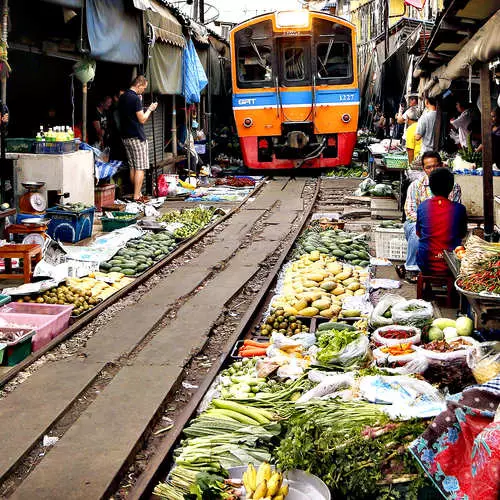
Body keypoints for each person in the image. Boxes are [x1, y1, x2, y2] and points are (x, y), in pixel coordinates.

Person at [397, 151, 462, 283]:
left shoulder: (454, 186)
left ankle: (445, 264)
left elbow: (455, 212)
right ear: (423, 169)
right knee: (417, 235)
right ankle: (411, 268)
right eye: (428, 167)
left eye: (435, 166)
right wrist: (430, 222)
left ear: (442, 165)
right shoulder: (416, 186)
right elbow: (409, 212)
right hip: (419, 223)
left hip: (442, 224)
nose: (432, 170)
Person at [416, 167, 467, 274]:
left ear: (430, 187)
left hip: (425, 263)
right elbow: (462, 234)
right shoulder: (459, 209)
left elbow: (419, 233)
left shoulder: (422, 207)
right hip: (451, 265)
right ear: (451, 187)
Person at [118, 75, 158, 201]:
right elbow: (142, 119)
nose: (144, 90)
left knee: (132, 167)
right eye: (143, 88)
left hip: (125, 136)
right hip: (137, 136)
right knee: (140, 167)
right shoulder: (135, 99)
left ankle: (137, 193)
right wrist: (150, 109)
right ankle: (137, 195)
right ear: (139, 85)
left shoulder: (123, 96)